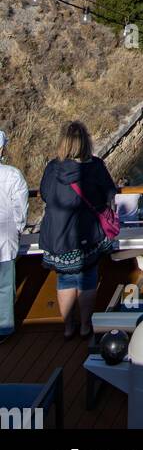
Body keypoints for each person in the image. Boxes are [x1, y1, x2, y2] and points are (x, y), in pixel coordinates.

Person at [38, 121, 117, 340]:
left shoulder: (53, 168)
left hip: (58, 237)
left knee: (64, 280)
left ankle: (67, 327)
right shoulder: (95, 167)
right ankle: (84, 326)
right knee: (87, 279)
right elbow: (109, 193)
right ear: (85, 143)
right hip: (86, 235)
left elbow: (45, 194)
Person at [0, 130, 29, 340]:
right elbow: (20, 207)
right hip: (5, 238)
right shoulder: (12, 175)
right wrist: (18, 228)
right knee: (4, 286)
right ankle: (4, 328)